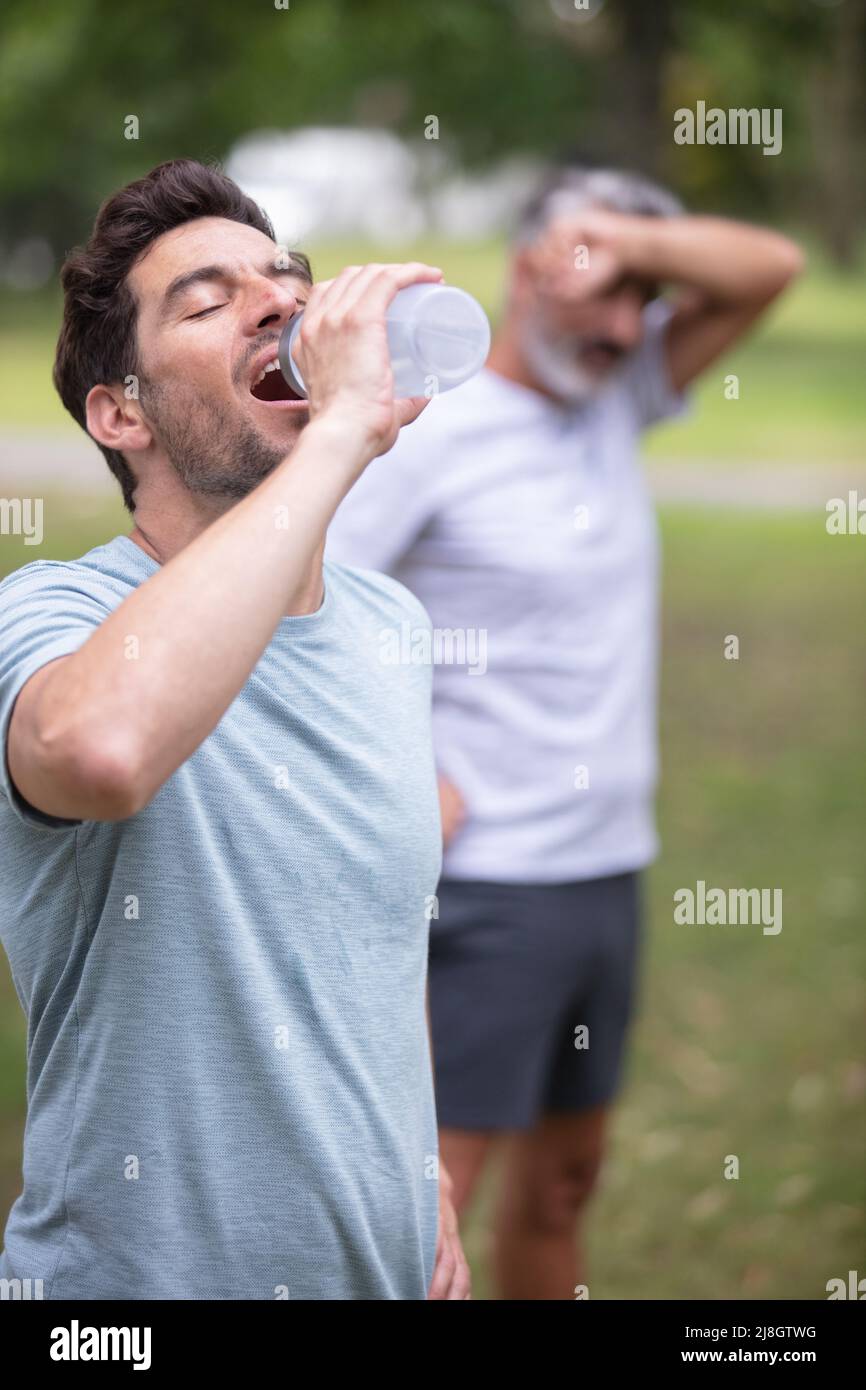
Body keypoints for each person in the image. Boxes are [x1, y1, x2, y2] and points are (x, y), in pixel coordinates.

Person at [326, 163, 804, 1299]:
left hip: (603, 868)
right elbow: (297, 603)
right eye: (600, 286)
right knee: (424, 1214)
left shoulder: (616, 392)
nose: (623, 324)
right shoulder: (428, 431)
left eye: (644, 295)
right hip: (486, 886)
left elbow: (768, 268)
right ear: (529, 272)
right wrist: (405, 773)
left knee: (563, 1187)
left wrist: (613, 244)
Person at [0, 158, 470, 1300]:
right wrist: (340, 434)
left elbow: (375, 933)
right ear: (123, 412)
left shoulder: (389, 625)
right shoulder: (56, 615)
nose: (276, 301)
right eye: (205, 302)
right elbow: (101, 752)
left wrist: (426, 1177)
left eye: (284, 278)